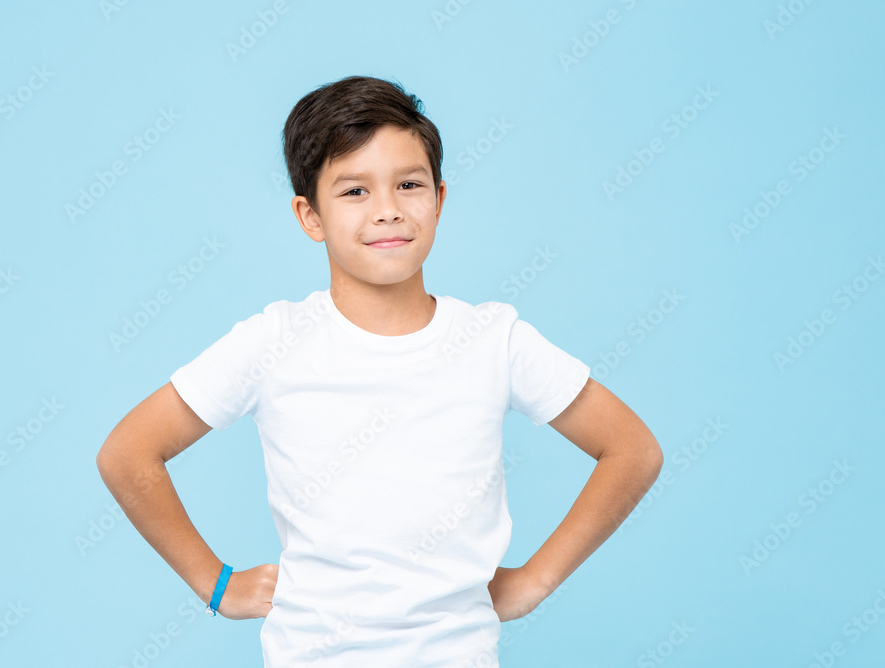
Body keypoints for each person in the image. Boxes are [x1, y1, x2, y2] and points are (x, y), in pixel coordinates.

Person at [96, 74, 663, 667]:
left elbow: (632, 450)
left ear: (440, 199)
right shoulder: (274, 341)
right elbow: (128, 452)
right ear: (309, 215)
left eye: (409, 184)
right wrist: (216, 583)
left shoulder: (493, 340)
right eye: (354, 192)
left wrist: (536, 581)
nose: (388, 211)